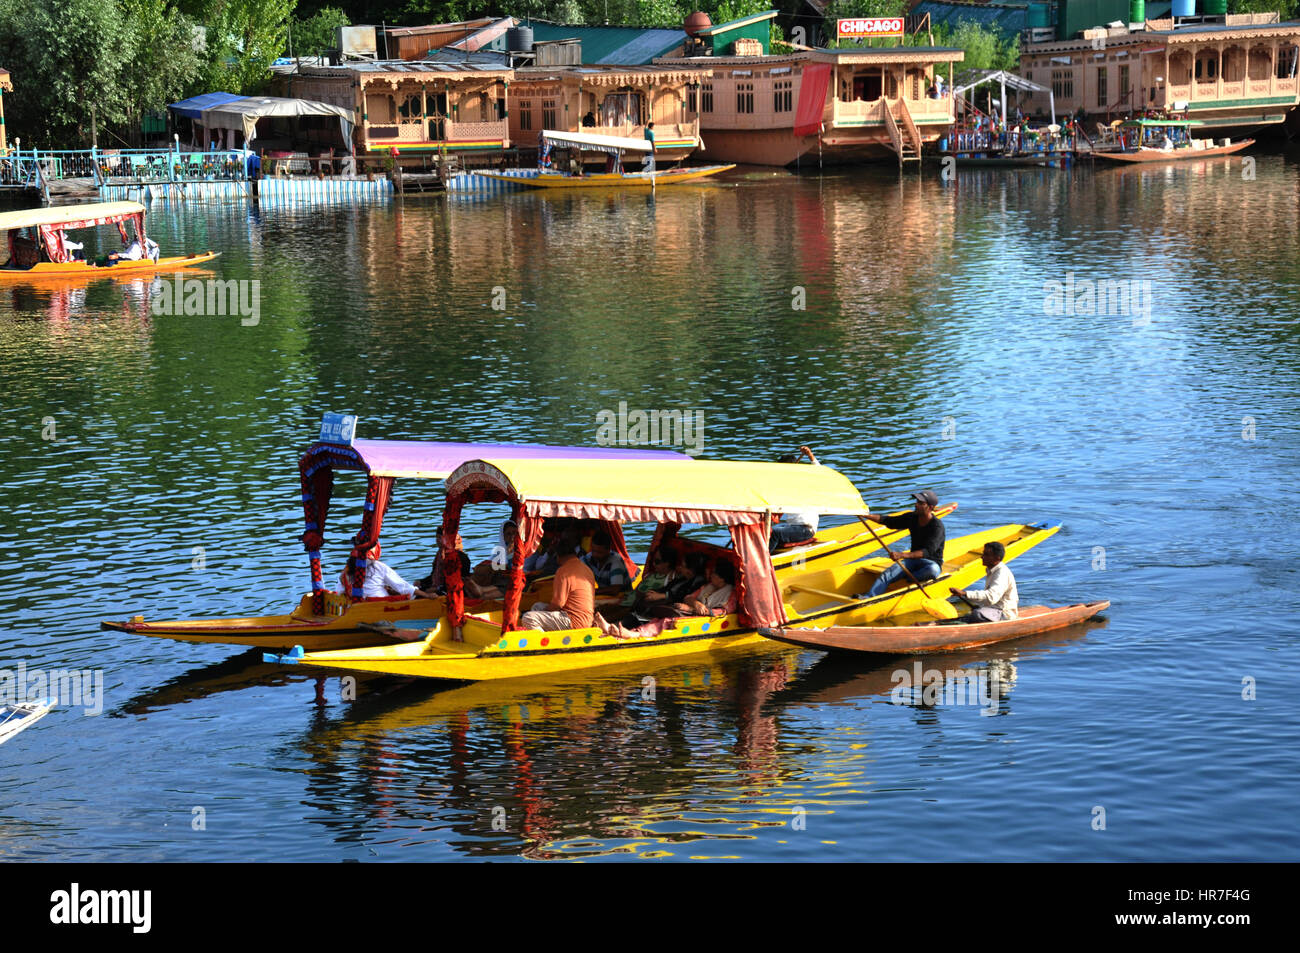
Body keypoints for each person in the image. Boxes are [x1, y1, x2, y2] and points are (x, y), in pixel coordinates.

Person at [857, 490, 946, 598]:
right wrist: (866, 515)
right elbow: (889, 521)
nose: (916, 505)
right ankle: (869, 597)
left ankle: (908, 578)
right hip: (913, 560)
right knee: (887, 574)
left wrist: (902, 555)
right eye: (917, 501)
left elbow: (927, 552)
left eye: (921, 503)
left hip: (930, 563)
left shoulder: (937, 527)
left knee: (933, 570)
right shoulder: (912, 517)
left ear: (930, 507)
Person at [520, 532, 595, 631]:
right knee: (537, 606)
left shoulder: (563, 571)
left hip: (573, 621)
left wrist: (546, 611)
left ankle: (546, 643)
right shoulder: (587, 569)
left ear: (558, 556)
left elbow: (557, 605)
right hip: (587, 619)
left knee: (528, 618)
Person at [944, 541, 1017, 624]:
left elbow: (991, 597)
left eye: (986, 555)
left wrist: (965, 593)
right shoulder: (991, 570)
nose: (982, 557)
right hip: (993, 610)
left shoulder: (1001, 573)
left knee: (977, 614)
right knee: (971, 613)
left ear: (997, 558)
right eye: (983, 554)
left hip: (1004, 613)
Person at [769, 446, 820, 552]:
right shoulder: (786, 485)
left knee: (775, 533)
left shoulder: (807, 482)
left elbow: (819, 472)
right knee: (765, 531)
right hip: (791, 526)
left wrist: (810, 455)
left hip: (805, 529)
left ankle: (762, 561)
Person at [339, 545, 434, 600]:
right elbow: (403, 587)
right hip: (378, 605)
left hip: (356, 604)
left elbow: (340, 591)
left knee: (393, 591)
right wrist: (427, 595)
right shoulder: (377, 566)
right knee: (408, 595)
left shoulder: (345, 571)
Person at [417, 527, 482, 598]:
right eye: (437, 538)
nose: (437, 541)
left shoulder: (459, 557)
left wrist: (436, 589)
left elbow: (456, 581)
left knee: (420, 595)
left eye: (440, 538)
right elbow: (433, 574)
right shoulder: (439, 554)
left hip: (453, 590)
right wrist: (421, 582)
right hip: (439, 586)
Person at [582, 530, 629, 594]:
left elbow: (615, 589)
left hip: (623, 596)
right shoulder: (587, 558)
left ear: (608, 550)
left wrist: (591, 592)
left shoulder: (616, 561)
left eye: (599, 552)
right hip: (603, 595)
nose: (595, 555)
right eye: (593, 551)